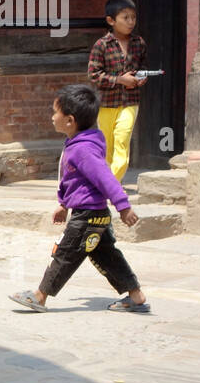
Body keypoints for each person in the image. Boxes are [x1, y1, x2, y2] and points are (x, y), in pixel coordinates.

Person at [9, 84, 150, 314]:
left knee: (64, 254)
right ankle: (135, 295)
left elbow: (105, 178)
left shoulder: (83, 149)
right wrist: (64, 204)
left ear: (69, 120)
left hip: (87, 216)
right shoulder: (79, 143)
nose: (52, 117)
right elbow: (72, 180)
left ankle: (40, 296)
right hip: (94, 216)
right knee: (106, 256)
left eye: (55, 112)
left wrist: (123, 206)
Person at [87, 0, 148, 181]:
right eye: (125, 18)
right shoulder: (101, 45)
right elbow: (94, 75)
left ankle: (109, 185)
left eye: (133, 17)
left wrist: (142, 76)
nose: (131, 22)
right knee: (107, 148)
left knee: (122, 140)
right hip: (106, 104)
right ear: (111, 20)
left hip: (130, 102)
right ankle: (109, 185)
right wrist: (120, 80)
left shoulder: (139, 43)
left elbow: (142, 67)